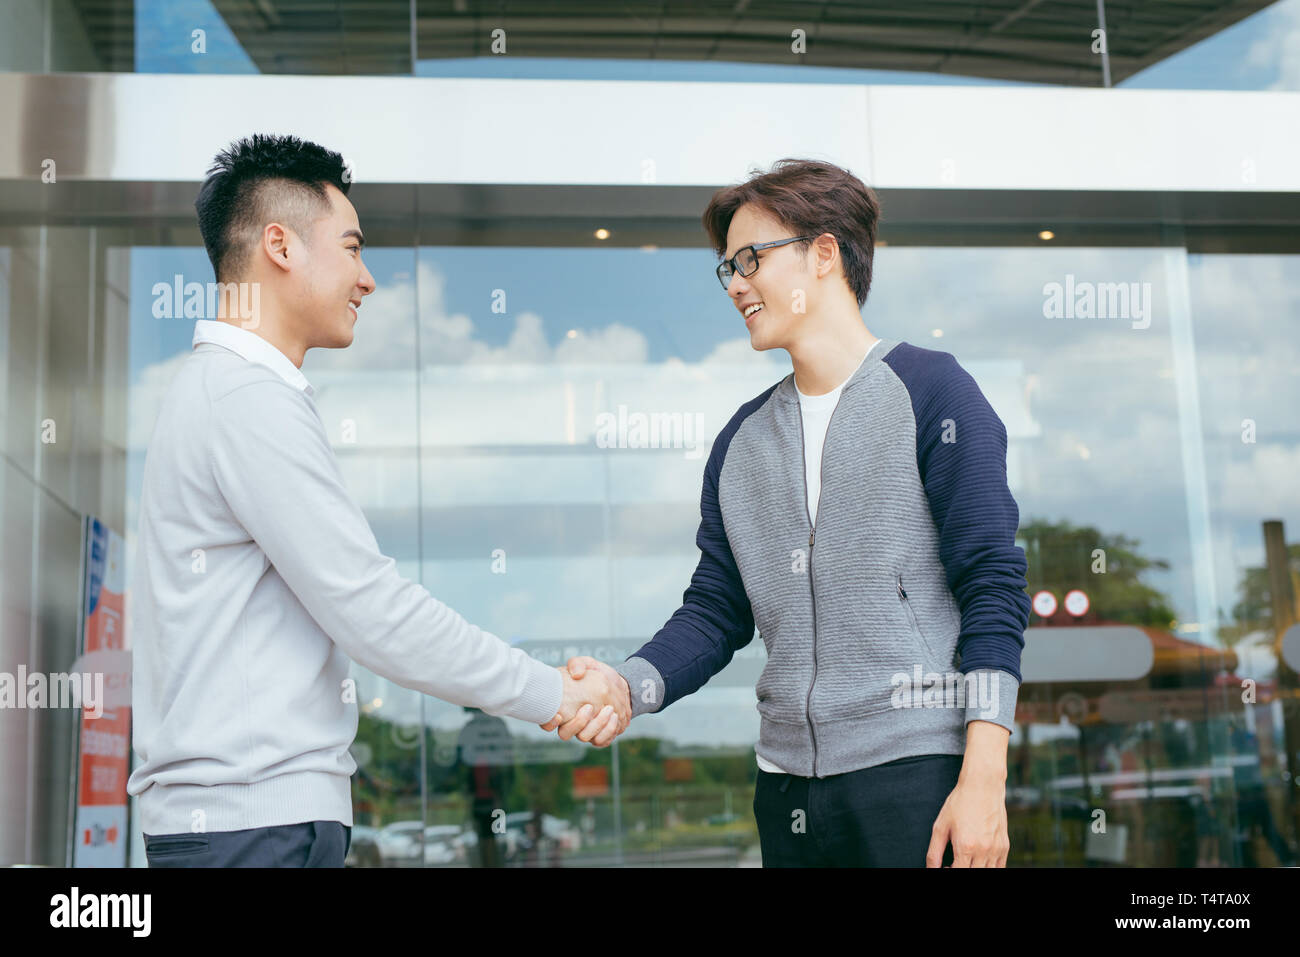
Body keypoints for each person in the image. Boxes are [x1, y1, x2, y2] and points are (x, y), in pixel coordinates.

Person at [128, 134, 628, 868]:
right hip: (251, 827)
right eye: (352, 247)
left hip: (243, 823)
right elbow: (373, 610)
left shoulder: (224, 391)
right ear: (280, 245)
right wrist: (551, 690)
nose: (367, 278)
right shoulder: (243, 397)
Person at [546, 158, 1031, 867]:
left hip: (915, 776)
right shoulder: (740, 444)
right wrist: (627, 685)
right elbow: (715, 611)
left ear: (824, 253)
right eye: (727, 268)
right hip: (786, 793)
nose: (736, 283)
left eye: (751, 259)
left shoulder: (935, 394)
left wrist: (985, 775)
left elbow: (992, 585)